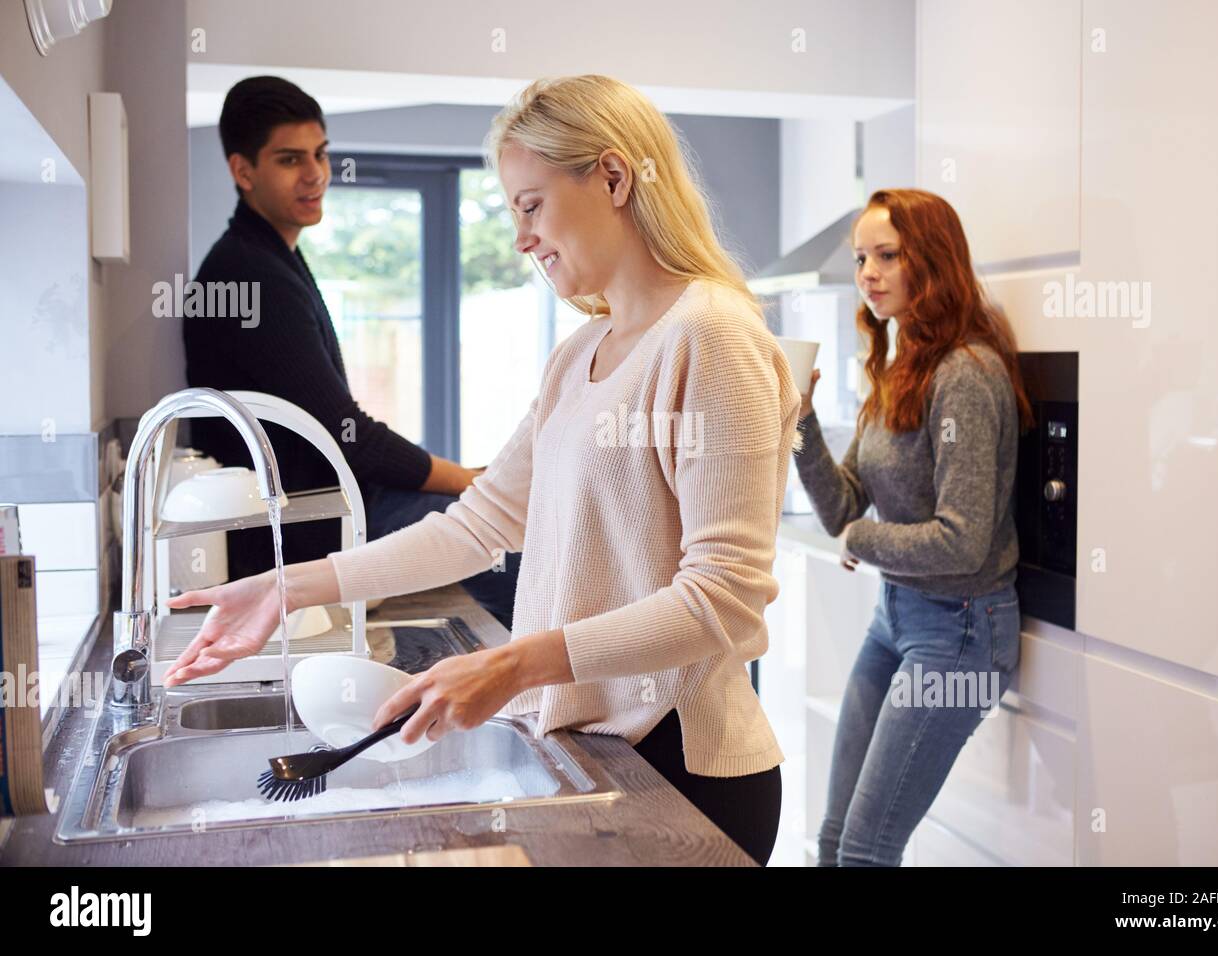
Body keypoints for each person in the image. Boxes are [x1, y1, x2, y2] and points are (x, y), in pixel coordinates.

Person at [164, 74, 801, 866]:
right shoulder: (578, 355)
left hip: (684, 771)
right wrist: (286, 586)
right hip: (595, 749)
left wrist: (512, 663)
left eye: (531, 205)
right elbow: (480, 522)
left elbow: (724, 600)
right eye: (514, 213)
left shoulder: (712, 335)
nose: (522, 238)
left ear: (612, 177)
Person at [183, 75, 520, 630]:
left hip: (322, 509)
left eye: (319, 154)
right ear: (243, 171)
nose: (315, 174)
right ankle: (567, 685)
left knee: (491, 531)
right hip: (304, 525)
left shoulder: (266, 258)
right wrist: (467, 480)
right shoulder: (249, 274)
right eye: (290, 159)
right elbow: (348, 435)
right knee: (492, 536)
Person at [794, 188, 1034, 866]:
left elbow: (962, 539)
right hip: (897, 616)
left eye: (887, 256)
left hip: (961, 630)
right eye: (861, 258)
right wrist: (799, 422)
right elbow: (843, 507)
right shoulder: (899, 369)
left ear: (930, 260)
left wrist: (861, 543)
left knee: (867, 850)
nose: (867, 273)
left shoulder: (964, 374)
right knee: (837, 840)